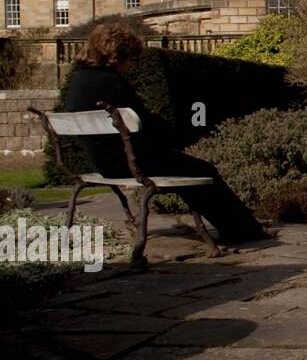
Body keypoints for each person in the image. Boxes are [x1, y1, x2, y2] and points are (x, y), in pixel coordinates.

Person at [62, 23, 271, 242]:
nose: (130, 65)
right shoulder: (111, 83)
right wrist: (180, 135)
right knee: (203, 170)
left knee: (188, 168)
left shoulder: (79, 80)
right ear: (116, 55)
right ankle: (243, 231)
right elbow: (143, 123)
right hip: (128, 163)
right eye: (129, 59)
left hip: (103, 161)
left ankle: (240, 224)